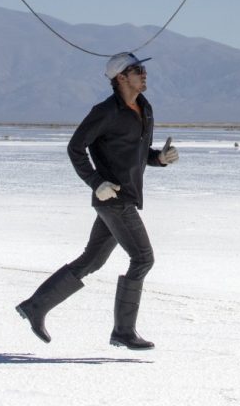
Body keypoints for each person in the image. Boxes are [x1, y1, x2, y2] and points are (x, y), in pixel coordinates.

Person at [15, 51, 179, 350]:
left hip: (124, 198)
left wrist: (160, 159)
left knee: (91, 260)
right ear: (120, 77)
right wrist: (96, 182)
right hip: (114, 199)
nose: (144, 73)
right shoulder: (106, 112)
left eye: (143, 69)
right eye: (137, 69)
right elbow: (75, 147)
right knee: (143, 259)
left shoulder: (145, 108)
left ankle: (36, 306)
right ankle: (123, 331)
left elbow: (138, 152)